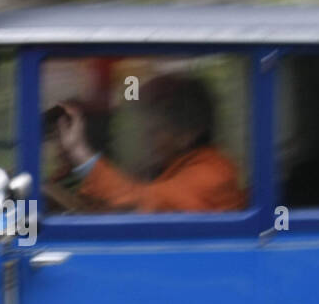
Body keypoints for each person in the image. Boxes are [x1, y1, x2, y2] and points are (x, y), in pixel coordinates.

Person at [53, 73, 245, 213]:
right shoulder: (169, 169)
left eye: (155, 130)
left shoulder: (211, 175)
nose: (146, 139)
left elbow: (142, 203)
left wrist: (79, 152)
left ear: (187, 134)